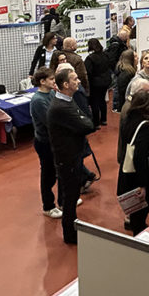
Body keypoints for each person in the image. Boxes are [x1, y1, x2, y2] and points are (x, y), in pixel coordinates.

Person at [46, 67, 96, 245]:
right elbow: (88, 124)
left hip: (72, 156)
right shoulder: (62, 107)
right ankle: (70, 234)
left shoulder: (67, 100)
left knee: (72, 195)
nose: (79, 81)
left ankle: (72, 227)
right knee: (70, 198)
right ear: (66, 84)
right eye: (75, 79)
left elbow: (85, 120)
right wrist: (83, 121)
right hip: (67, 159)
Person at [117, 88, 149, 235]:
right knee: (140, 212)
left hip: (127, 172)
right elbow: (140, 156)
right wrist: (143, 184)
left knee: (134, 211)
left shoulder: (127, 118)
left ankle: (135, 226)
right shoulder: (145, 126)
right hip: (139, 174)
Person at [29, 68, 62, 218]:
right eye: (51, 79)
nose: (54, 82)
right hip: (44, 143)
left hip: (54, 140)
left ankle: (63, 201)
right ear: (42, 81)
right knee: (48, 174)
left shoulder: (52, 93)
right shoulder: (38, 100)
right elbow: (51, 121)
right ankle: (48, 206)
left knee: (58, 172)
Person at [84, 37, 112, 126]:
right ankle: (104, 119)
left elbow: (88, 72)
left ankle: (96, 123)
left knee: (94, 102)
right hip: (106, 81)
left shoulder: (90, 58)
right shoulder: (105, 55)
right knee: (102, 100)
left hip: (95, 83)